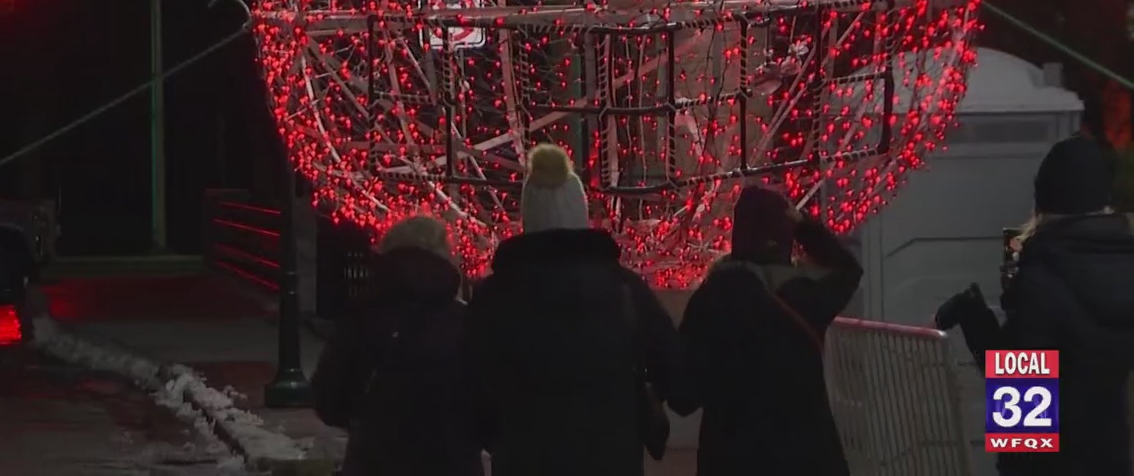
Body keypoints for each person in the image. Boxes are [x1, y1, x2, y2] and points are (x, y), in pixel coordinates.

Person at [463, 143, 693, 476]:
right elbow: (680, 380)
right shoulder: (624, 289)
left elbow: (472, 394)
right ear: (580, 211)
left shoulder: (494, 297)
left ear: (529, 214)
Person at [933, 134, 1134, 475]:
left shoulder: (1041, 276)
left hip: (1051, 463)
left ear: (1045, 201)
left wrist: (973, 316)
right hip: (1111, 455)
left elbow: (1018, 387)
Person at [678, 185, 862, 476]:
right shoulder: (805, 296)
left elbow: (683, 396)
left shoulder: (710, 299)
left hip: (730, 460)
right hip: (806, 459)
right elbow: (849, 269)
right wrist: (804, 227)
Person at [311, 215, 482, 476]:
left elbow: (329, 401)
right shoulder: (467, 325)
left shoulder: (363, 317)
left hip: (374, 463)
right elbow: (491, 413)